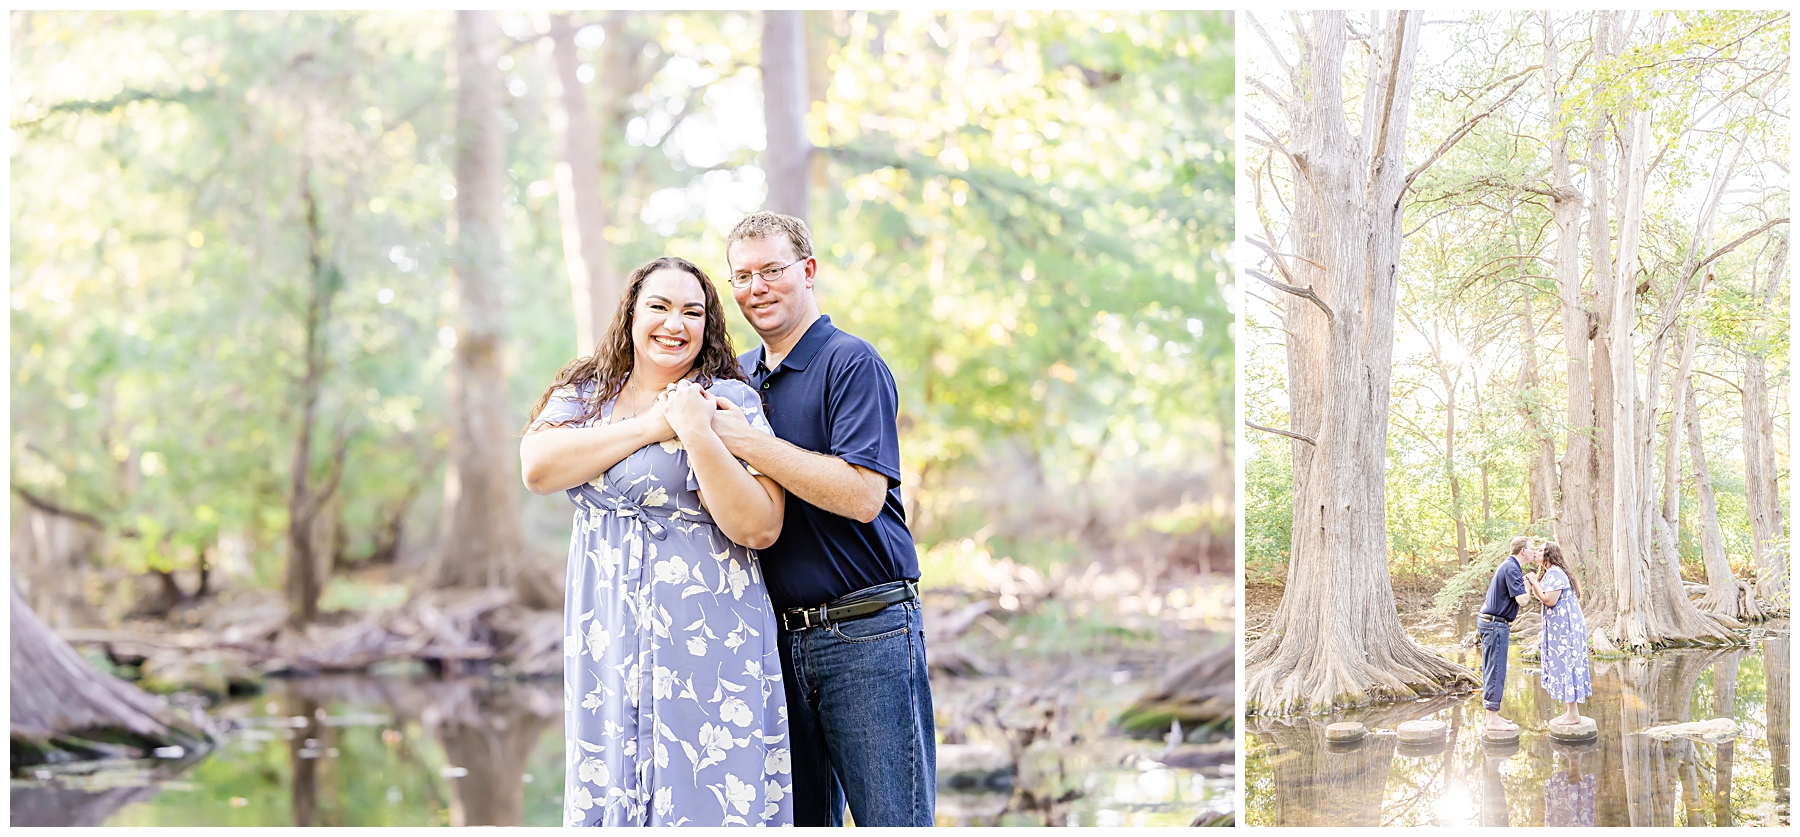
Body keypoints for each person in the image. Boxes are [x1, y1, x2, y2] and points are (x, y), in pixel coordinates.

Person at [520, 257, 793, 827]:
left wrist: (695, 429)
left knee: (707, 790)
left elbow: (760, 526)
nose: (675, 324)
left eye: (692, 312)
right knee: (613, 785)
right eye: (660, 307)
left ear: (708, 325)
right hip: (607, 629)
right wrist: (652, 425)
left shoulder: (729, 401)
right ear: (631, 314)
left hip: (707, 634)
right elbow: (539, 468)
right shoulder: (586, 393)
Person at [705, 211, 936, 826]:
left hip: (866, 634)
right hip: (772, 644)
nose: (757, 288)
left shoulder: (850, 362)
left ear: (807, 270)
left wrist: (749, 442)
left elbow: (862, 496)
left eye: (772, 270)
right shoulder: (737, 382)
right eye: (742, 276)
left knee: (894, 822)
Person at [1525, 542, 1591, 725]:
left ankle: (1573, 714)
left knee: (1567, 663)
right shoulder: (1549, 573)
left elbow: (1549, 600)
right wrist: (1534, 583)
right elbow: (1543, 596)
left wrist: (1534, 582)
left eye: (1540, 550)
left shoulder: (1555, 572)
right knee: (1562, 663)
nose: (1536, 552)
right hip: (1560, 627)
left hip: (1566, 627)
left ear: (1549, 554)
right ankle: (1570, 711)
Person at [1477, 536, 1535, 732]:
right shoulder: (1512, 568)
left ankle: (1490, 717)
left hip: (1490, 623)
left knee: (1491, 669)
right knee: (1496, 670)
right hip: (1495, 625)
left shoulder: (1510, 566)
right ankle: (1493, 719)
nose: (1534, 551)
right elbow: (1523, 601)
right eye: (1532, 548)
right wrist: (1529, 585)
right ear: (1523, 551)